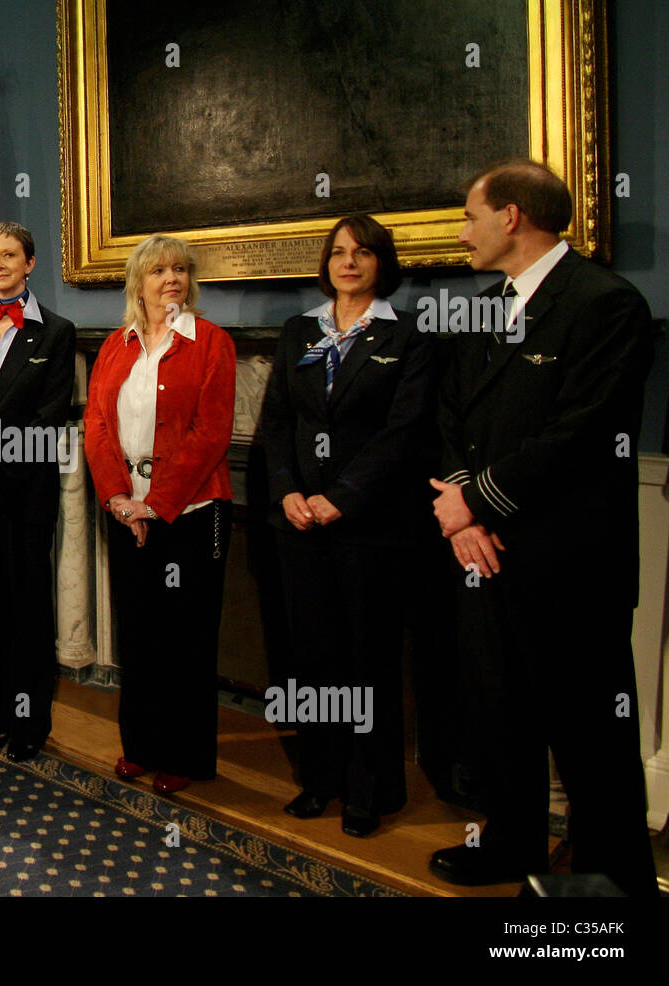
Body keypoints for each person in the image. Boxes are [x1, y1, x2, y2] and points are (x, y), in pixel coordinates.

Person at [429, 159, 657, 896]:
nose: (462, 233)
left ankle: (610, 882)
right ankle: (511, 844)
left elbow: (580, 433)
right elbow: (450, 417)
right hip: (484, 552)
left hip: (569, 563)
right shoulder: (481, 307)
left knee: (592, 737)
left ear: (512, 216)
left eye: (469, 217)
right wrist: (462, 514)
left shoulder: (605, 304)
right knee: (499, 713)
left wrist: (477, 501)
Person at [260, 214, 434, 837]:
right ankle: (320, 778)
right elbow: (278, 421)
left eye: (362, 252)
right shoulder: (298, 330)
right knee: (313, 658)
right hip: (300, 525)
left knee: (367, 660)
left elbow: (405, 431)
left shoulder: (409, 334)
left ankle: (369, 789)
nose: (349, 262)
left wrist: (344, 497)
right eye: (338, 252)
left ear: (382, 262)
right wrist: (288, 491)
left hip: (371, 526)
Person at [83, 234, 235, 795]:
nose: (171, 279)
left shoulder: (212, 342)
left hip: (192, 513)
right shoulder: (115, 345)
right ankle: (141, 746)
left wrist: (155, 504)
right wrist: (119, 499)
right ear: (138, 284)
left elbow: (211, 433)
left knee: (186, 639)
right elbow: (96, 425)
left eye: (180, 270)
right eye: (158, 271)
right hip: (126, 512)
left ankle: (185, 755)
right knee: (139, 633)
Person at [0, 221, 76, 763]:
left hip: (25, 495)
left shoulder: (56, 332)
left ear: (29, 264)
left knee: (27, 614)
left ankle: (30, 725)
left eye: (9, 255)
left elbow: (47, 418)